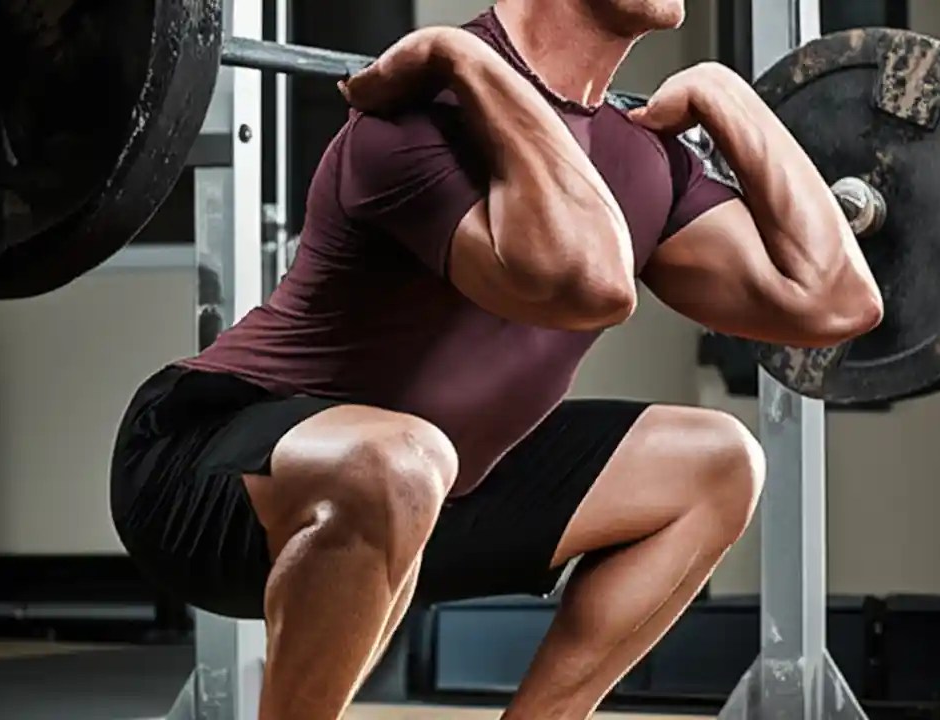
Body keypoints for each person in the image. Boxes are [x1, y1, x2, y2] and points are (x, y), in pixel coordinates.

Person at [110, 1, 883, 717]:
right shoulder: (413, 118)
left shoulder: (641, 156)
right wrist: (471, 64)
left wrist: (731, 96)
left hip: (428, 484)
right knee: (403, 461)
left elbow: (835, 304)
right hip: (207, 464)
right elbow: (588, 284)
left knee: (719, 462)